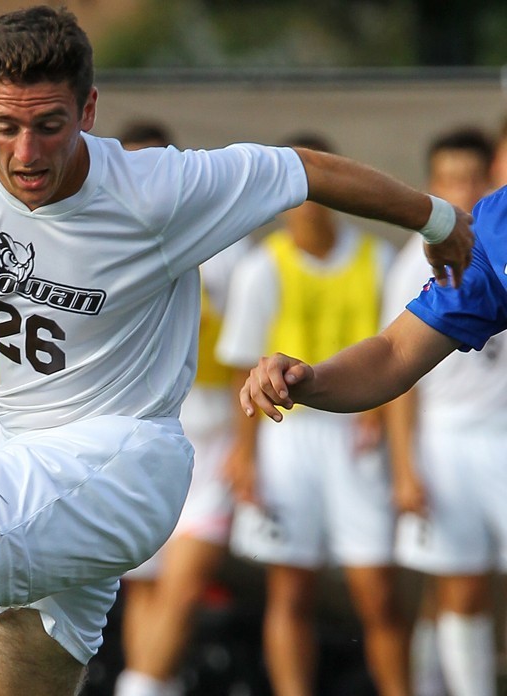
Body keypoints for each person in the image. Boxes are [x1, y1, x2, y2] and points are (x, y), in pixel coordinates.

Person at [0, 7, 472, 694]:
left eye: (49, 124)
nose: (26, 152)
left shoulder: (156, 190)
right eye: (5, 127)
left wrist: (439, 220)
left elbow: (307, 169)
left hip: (123, 460)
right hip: (27, 460)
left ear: (88, 110)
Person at [216, 133, 409, 696]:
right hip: (287, 440)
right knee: (291, 589)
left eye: (315, 192)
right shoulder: (262, 268)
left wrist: (383, 422)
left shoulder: (377, 260)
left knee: (377, 590)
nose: (304, 207)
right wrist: (245, 455)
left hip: (356, 438)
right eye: (292, 195)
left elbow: (399, 356)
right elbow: (241, 366)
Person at [115, 120, 250, 696]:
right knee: (145, 588)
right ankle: (150, 684)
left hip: (211, 444)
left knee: (186, 584)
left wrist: (246, 445)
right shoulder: (103, 244)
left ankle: (140, 686)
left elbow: (249, 349)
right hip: (138, 443)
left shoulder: (225, 245)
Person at [383, 128, 502, 696]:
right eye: (449, 179)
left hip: (503, 434)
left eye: (473, 177)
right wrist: (405, 468)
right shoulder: (416, 259)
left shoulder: (498, 239)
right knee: (460, 585)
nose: (463, 190)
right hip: (449, 442)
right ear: (431, 185)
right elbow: (396, 367)